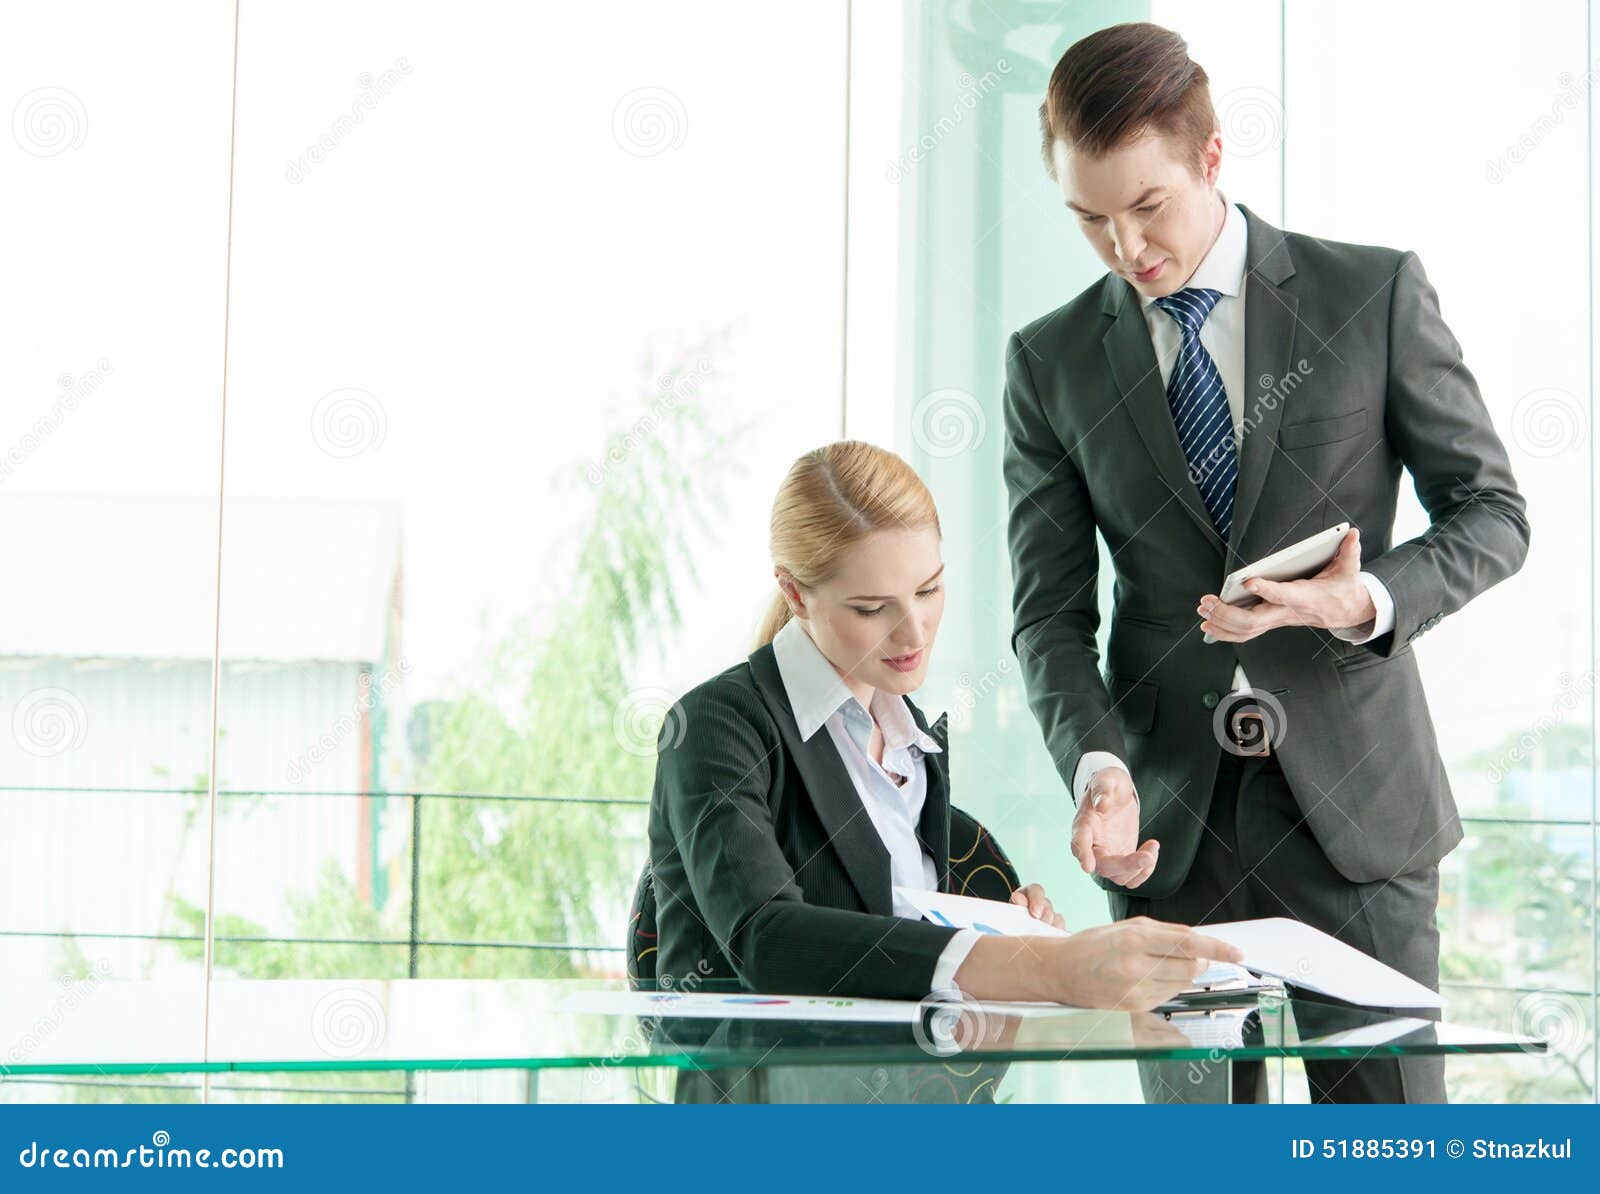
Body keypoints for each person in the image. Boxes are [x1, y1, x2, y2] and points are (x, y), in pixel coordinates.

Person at [1001, 23, 1530, 1103]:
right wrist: (1098, 771)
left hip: (1359, 815)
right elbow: (1048, 615)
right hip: (1168, 831)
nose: (1123, 247)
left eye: (1145, 207)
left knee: (1390, 1150)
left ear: (1209, 156)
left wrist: (1367, 597)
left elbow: (1493, 514)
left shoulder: (1368, 295)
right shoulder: (1047, 360)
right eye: (1088, 218)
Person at [647, 439, 1244, 1013]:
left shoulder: (913, 743)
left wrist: (1006, 932)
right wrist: (1046, 970)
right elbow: (768, 939)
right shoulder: (716, 726)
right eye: (871, 608)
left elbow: (891, 936)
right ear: (795, 595)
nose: (914, 634)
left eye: (929, 589)